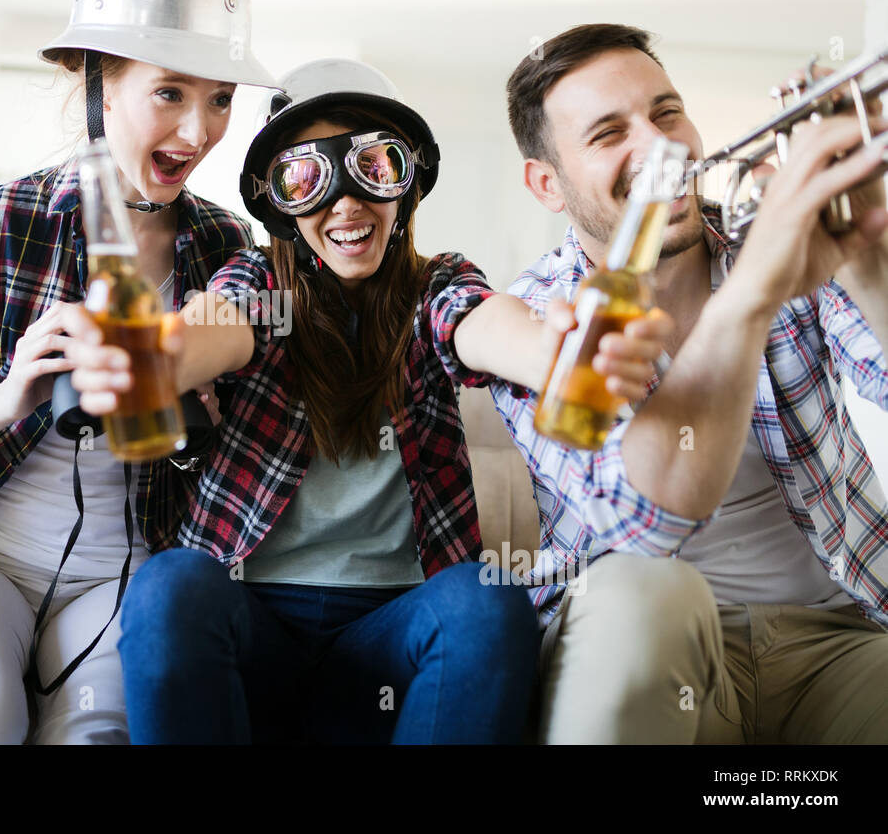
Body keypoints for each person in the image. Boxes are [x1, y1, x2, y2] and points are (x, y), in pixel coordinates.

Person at [66, 58, 670, 743]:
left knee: (486, 598)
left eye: (375, 168)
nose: (347, 204)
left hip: (395, 638)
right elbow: (221, 325)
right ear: (280, 204)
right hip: (251, 629)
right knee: (170, 583)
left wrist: (555, 353)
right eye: (310, 178)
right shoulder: (260, 283)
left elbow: (482, 323)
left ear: (407, 186)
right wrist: (158, 356)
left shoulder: (435, 286)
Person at [0, 0, 276, 745]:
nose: (200, 130)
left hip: (125, 576)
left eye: (219, 100)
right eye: (170, 93)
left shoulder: (223, 243)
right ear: (97, 79)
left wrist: (198, 413)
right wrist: (10, 394)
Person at [497, 23, 888, 743]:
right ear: (546, 184)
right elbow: (647, 527)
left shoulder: (772, 241)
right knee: (646, 593)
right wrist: (748, 303)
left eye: (666, 112)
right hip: (661, 645)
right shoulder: (534, 322)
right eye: (609, 132)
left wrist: (867, 254)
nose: (658, 146)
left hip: (841, 635)